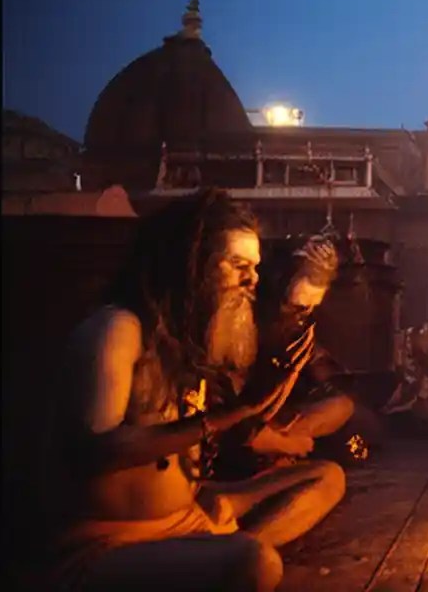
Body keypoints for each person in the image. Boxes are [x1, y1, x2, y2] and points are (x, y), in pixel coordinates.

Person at [47, 189, 343, 591]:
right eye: (238, 265)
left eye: (254, 268)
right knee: (255, 564)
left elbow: (247, 420)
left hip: (191, 513)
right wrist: (226, 418)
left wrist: (266, 394)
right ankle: (222, 558)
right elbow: (94, 452)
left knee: (327, 476)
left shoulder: (193, 340)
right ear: (191, 265)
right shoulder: (118, 329)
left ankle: (210, 556)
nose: (252, 280)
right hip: (110, 542)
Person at [211, 235, 356, 481]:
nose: (303, 315)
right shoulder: (237, 324)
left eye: (312, 307)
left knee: (342, 406)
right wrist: (285, 444)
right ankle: (271, 454)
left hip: (277, 419)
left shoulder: (301, 327)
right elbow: (224, 406)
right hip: (233, 422)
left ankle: (275, 452)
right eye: (297, 306)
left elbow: (307, 377)